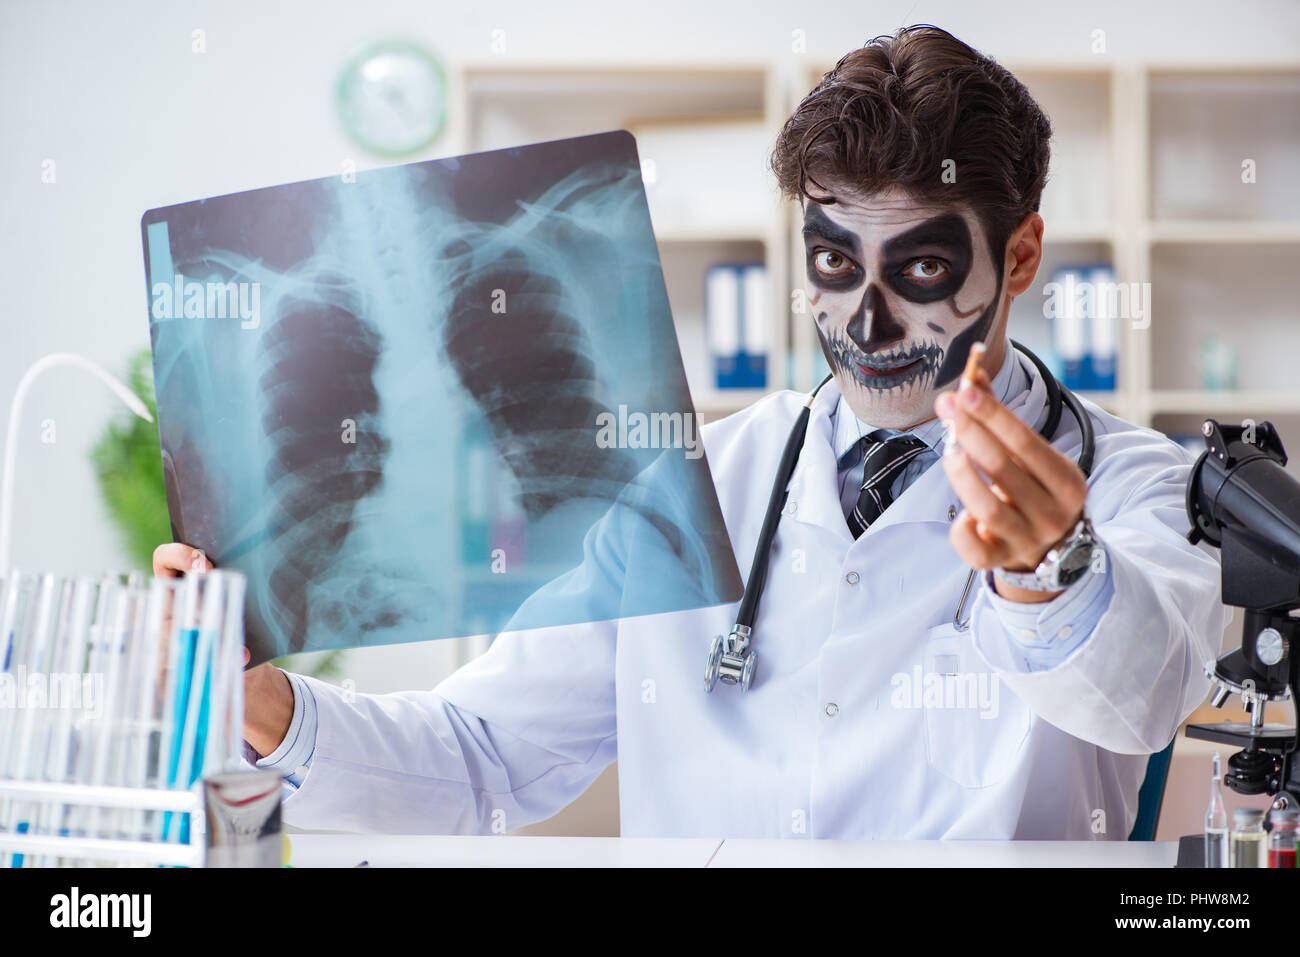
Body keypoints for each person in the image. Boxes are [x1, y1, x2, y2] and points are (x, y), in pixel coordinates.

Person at [154, 24, 1226, 839]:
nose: (864, 320)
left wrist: (1052, 568)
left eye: (923, 269)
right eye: (833, 263)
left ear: (1022, 257)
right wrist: (265, 704)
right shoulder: (694, 482)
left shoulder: (1142, 484)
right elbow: (484, 757)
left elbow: (1140, 701)